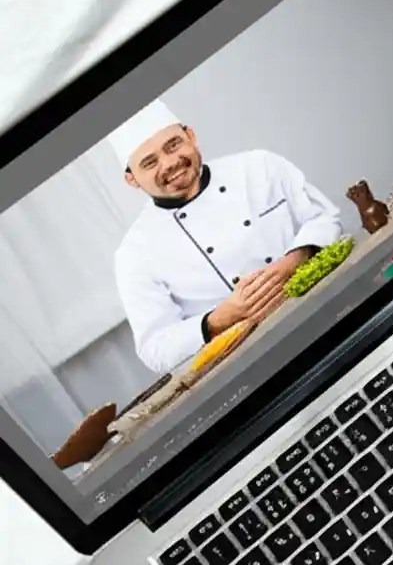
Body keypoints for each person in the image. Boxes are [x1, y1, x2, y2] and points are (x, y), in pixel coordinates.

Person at [109, 100, 343, 373]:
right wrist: (221, 317)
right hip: (254, 366)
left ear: (191, 136)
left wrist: (293, 261)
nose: (170, 163)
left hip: (329, 310)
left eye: (173, 144)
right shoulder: (135, 253)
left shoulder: (259, 167)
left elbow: (324, 217)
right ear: (132, 179)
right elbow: (155, 348)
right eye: (150, 162)